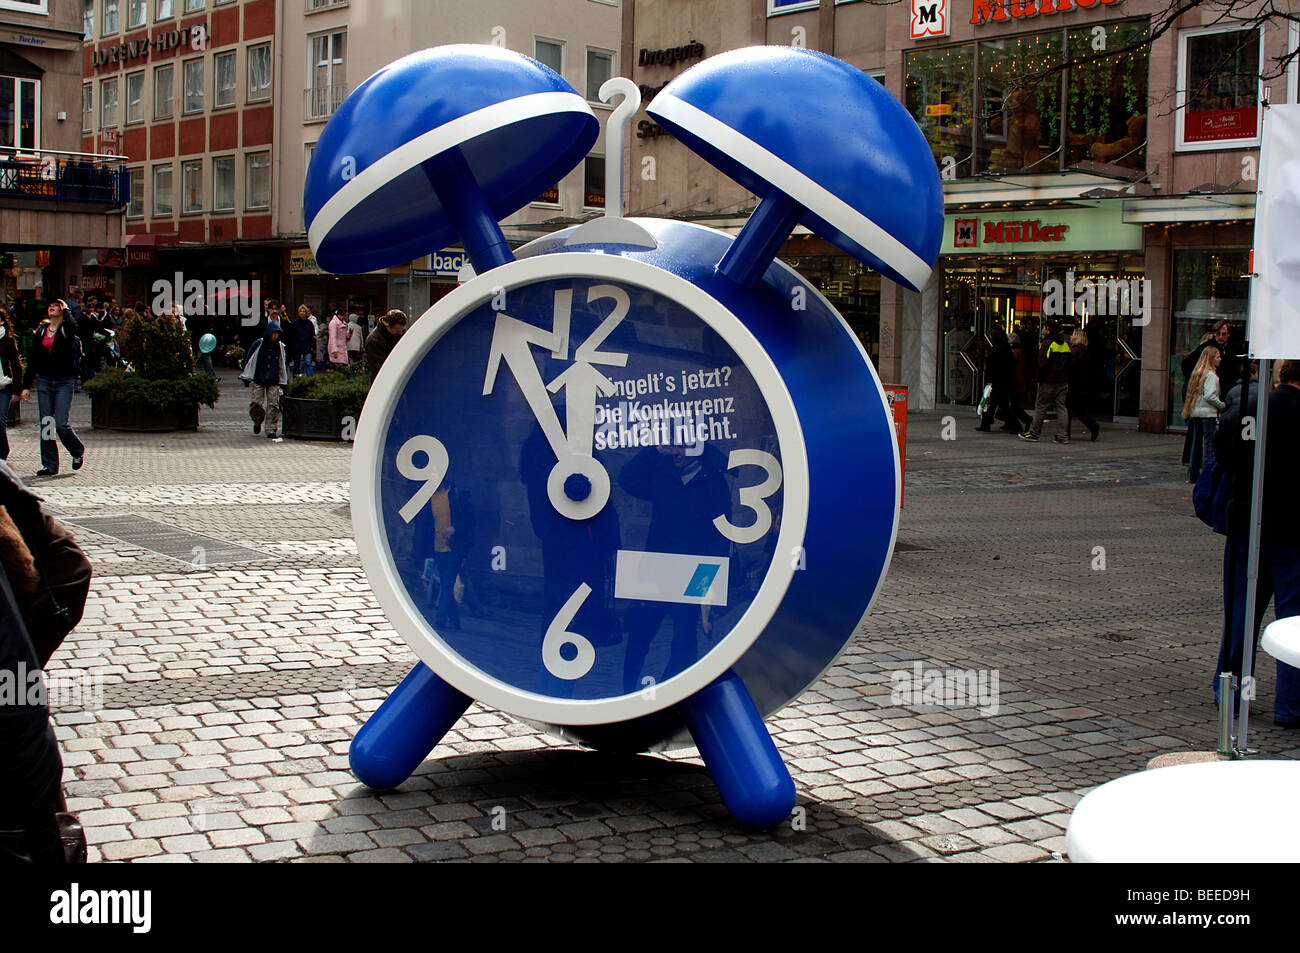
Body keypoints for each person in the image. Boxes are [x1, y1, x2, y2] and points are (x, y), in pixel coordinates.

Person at [1214, 359, 1300, 726]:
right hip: (1294, 533)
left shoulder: (1250, 406)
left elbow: (1224, 454)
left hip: (1250, 525)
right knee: (1293, 620)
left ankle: (1230, 691)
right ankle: (1291, 705)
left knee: (1241, 611)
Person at [20, 301, 86, 477]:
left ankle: (77, 450)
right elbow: (33, 360)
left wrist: (66, 308)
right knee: (47, 424)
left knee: (61, 424)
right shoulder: (41, 331)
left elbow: (73, 325)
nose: (52, 307)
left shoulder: (66, 330)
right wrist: (26, 386)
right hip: (45, 382)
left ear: (63, 311)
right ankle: (50, 464)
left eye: (56, 306)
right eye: (50, 305)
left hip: (64, 381)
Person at [1019, 321, 1071, 443]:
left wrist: (1040, 378)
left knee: (1041, 407)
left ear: (1047, 328)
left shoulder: (1047, 344)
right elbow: (1069, 363)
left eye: (1043, 327)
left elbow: (1042, 364)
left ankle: (1034, 433)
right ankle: (1063, 436)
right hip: (1062, 381)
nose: (1042, 330)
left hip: (1048, 381)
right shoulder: (1065, 344)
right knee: (1061, 408)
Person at [239, 320, 289, 442]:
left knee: (273, 405)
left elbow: (282, 364)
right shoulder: (259, 344)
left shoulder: (280, 347)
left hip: (273, 379)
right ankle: (257, 420)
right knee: (256, 402)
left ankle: (271, 429)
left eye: (277, 334)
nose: (275, 336)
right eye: (274, 333)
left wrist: (283, 381)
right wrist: (246, 375)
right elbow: (249, 358)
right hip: (259, 377)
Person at [1183, 346, 1225, 484]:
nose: (1220, 359)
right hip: (1208, 414)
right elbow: (1210, 395)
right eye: (1217, 357)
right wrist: (1221, 405)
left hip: (1196, 412)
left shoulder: (1198, 373)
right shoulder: (1211, 376)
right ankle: (1207, 476)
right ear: (1211, 359)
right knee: (1208, 445)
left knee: (1196, 443)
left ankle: (1192, 474)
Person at [976, 325, 1027, 433]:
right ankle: (986, 424)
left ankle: (1015, 425)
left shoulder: (997, 349)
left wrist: (990, 381)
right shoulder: (1006, 349)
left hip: (998, 382)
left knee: (999, 405)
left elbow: (993, 367)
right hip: (1004, 382)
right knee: (994, 405)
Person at [1066, 328, 1101, 442]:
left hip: (1074, 384)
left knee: (1069, 409)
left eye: (1073, 335)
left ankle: (1066, 432)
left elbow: (1071, 368)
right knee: (1077, 409)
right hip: (1082, 384)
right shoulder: (1085, 352)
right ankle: (1092, 425)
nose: (1071, 337)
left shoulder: (1075, 351)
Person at [0, 309, 22, 461]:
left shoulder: (7, 340)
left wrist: (17, 390)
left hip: (4, 386)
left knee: (0, 420)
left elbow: (16, 365)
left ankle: (2, 454)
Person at [365, 309, 407, 378]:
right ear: (387, 325)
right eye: (397, 331)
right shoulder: (373, 341)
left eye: (402, 330)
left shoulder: (400, 332)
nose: (401, 333)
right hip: (383, 378)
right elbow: (379, 369)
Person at [293, 305, 317, 378]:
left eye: (304, 311)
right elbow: (292, 336)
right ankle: (297, 378)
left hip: (307, 346)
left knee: (308, 362)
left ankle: (310, 379)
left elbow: (313, 335)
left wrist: (313, 347)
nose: (302, 313)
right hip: (297, 347)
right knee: (297, 364)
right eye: (301, 311)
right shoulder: (295, 323)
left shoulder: (309, 323)